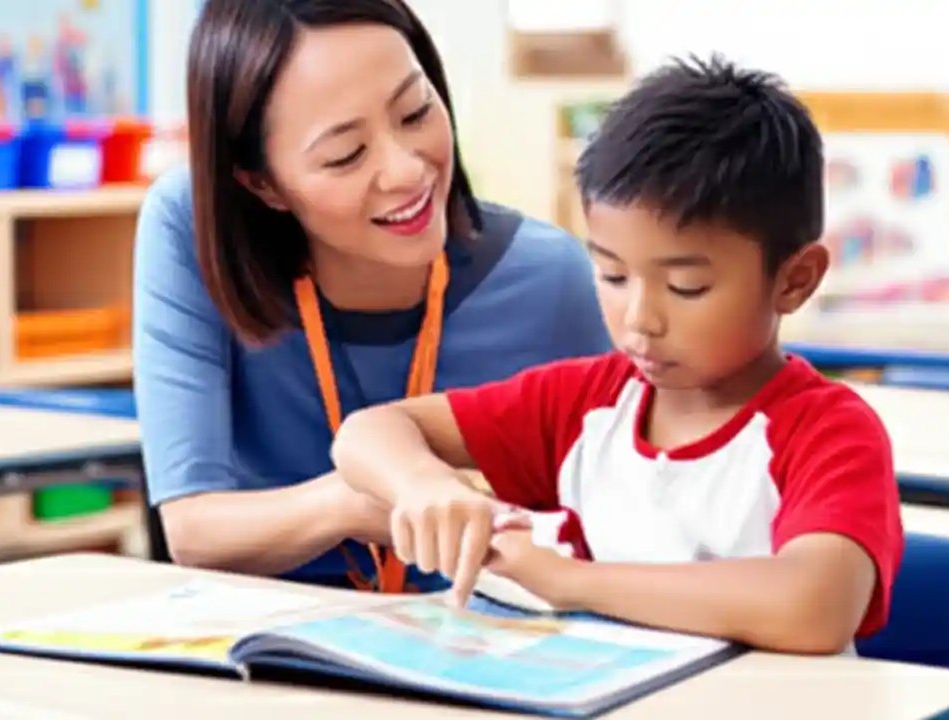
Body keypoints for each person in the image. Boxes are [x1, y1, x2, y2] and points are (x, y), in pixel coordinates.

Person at [330, 55, 904, 654]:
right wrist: (427, 487)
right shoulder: (587, 402)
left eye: (686, 288)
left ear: (794, 280)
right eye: (611, 275)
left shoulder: (827, 432)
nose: (640, 319)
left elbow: (813, 607)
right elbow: (367, 433)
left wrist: (573, 582)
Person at [132, 0, 609, 594]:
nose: (406, 171)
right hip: (269, 650)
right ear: (262, 183)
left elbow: (622, 522)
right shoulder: (193, 230)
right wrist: (365, 497)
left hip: (489, 645)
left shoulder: (553, 280)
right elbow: (193, 530)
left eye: (414, 113)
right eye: (346, 155)